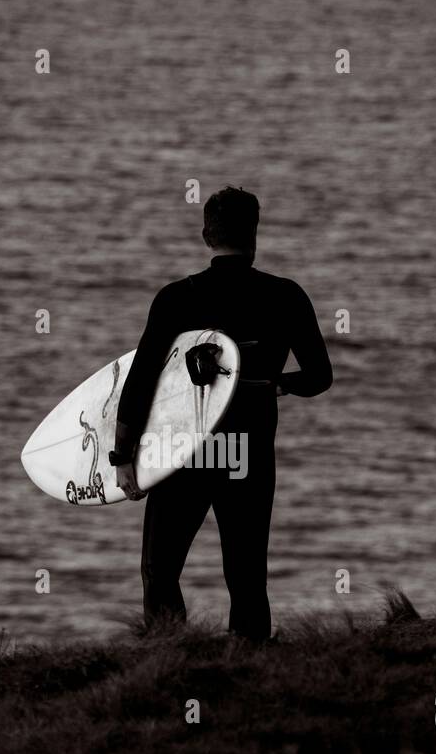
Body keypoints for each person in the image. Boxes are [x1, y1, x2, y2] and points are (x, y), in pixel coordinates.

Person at [111, 186, 333, 642]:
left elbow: (140, 381)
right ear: (254, 235)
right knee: (247, 573)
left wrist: (122, 456)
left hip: (185, 451)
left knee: (160, 567)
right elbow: (319, 376)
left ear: (206, 235)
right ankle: (250, 662)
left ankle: (168, 654)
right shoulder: (286, 295)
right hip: (245, 452)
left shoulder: (176, 298)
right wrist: (278, 383)